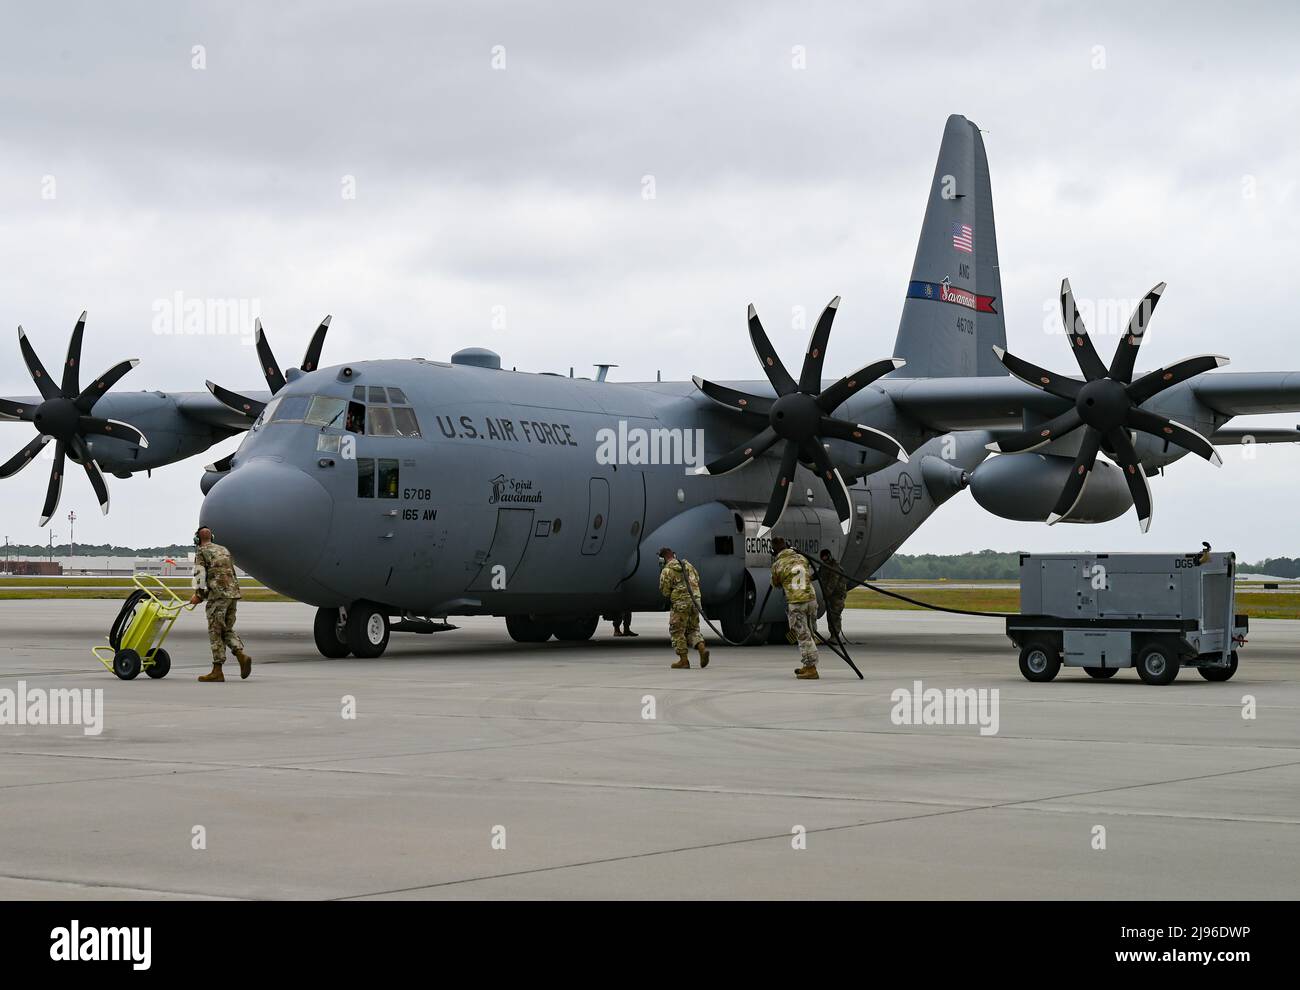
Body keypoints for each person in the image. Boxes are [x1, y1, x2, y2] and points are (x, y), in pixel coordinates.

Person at [188, 527, 252, 681]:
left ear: (197, 539)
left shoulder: (201, 551)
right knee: (226, 629)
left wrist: (198, 595)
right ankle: (241, 655)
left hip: (218, 596)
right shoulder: (224, 550)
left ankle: (217, 671)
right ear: (213, 537)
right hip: (233, 594)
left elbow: (200, 575)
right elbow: (231, 571)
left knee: (215, 631)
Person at [770, 537, 819, 679]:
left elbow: (776, 584)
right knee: (810, 633)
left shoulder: (778, 564)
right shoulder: (802, 558)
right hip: (811, 600)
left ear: (774, 551)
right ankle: (808, 664)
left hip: (797, 603)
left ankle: (811, 668)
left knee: (803, 636)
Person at [657, 547, 709, 669]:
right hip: (695, 602)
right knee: (693, 629)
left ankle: (684, 661)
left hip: (680, 605)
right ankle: (702, 649)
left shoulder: (667, 571)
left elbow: (665, 591)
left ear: (662, 559)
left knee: (677, 631)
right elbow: (697, 578)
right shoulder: (687, 565)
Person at [818, 549, 848, 644]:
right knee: (830, 616)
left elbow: (832, 583)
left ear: (829, 556)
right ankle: (833, 636)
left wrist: (826, 594)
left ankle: (835, 637)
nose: (824, 559)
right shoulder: (825, 566)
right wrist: (809, 577)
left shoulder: (835, 567)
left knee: (834, 616)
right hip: (830, 596)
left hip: (837, 596)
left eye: (825, 557)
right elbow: (819, 574)